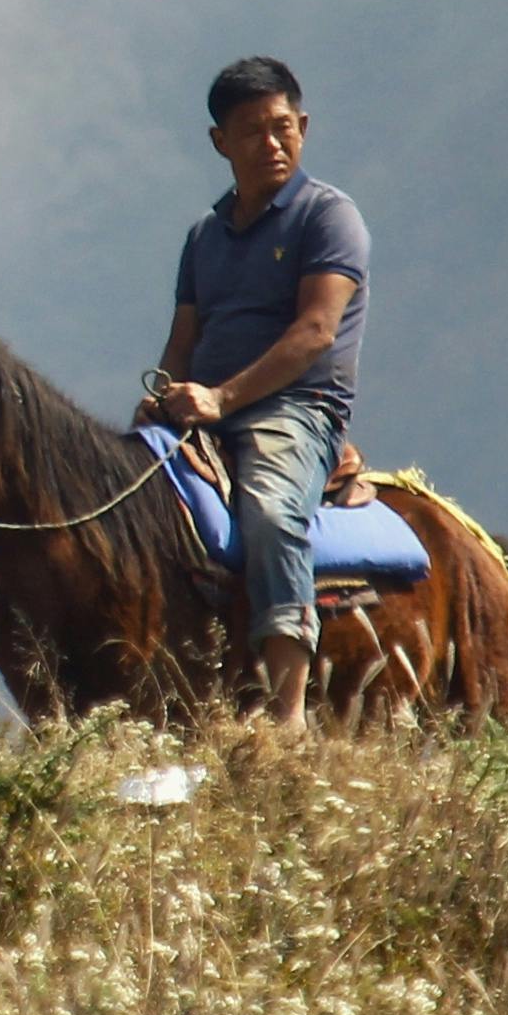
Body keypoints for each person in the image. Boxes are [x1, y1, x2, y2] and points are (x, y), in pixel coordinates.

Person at [142, 55, 366, 727]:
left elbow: (316, 331)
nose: (271, 143)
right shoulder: (204, 237)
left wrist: (222, 398)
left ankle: (288, 713)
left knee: (270, 512)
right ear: (220, 142)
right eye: (251, 130)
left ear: (302, 126)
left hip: (295, 410)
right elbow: (183, 340)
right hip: (204, 409)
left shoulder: (328, 217)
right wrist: (163, 397)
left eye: (281, 127)